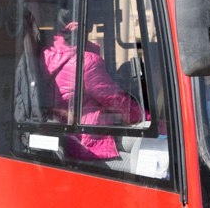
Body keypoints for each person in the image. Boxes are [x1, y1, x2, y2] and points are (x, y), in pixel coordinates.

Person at [41, 24, 147, 162]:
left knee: (138, 142)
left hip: (66, 138)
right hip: (89, 141)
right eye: (89, 26)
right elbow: (115, 101)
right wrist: (145, 115)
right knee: (142, 157)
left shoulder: (47, 55)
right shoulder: (87, 61)